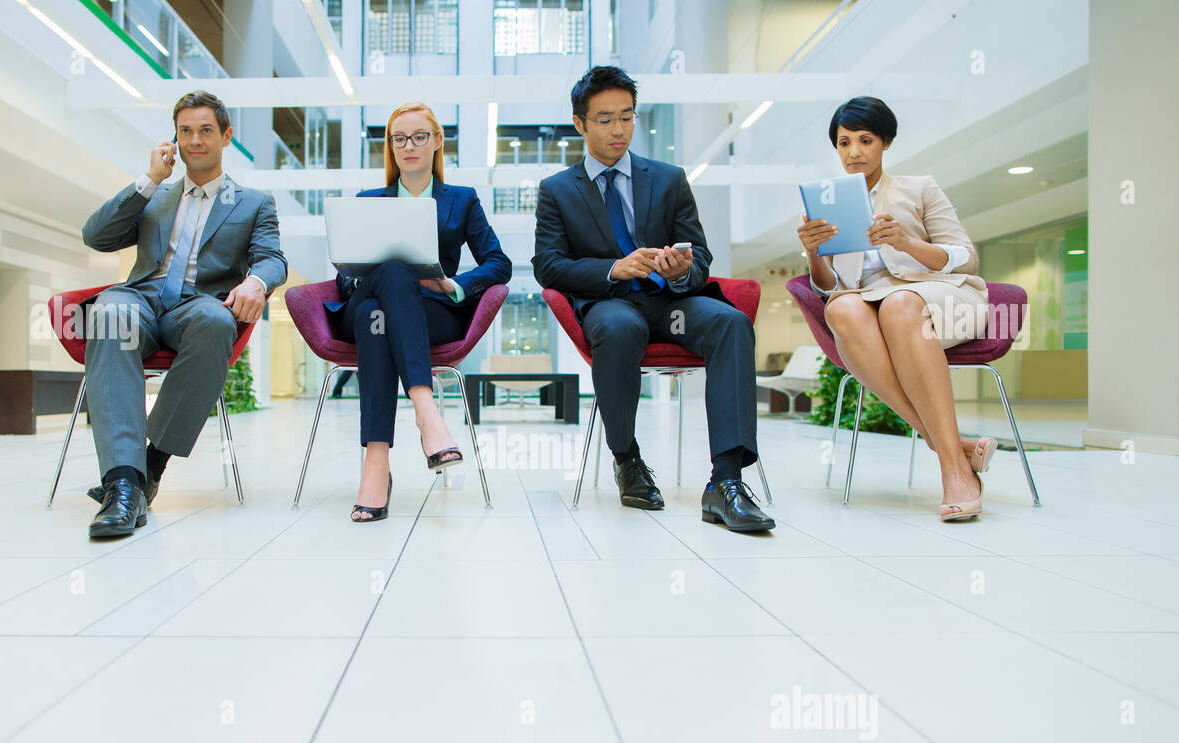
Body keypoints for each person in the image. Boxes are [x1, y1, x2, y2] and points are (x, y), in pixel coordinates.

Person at [532, 65, 775, 533]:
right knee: (621, 327)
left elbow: (699, 252)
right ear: (580, 123)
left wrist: (683, 270)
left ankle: (725, 483)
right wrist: (612, 269)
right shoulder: (557, 191)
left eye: (627, 117)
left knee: (730, 323)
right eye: (604, 119)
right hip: (613, 304)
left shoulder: (668, 179)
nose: (618, 129)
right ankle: (627, 458)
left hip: (673, 306)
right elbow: (548, 265)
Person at [78, 90, 286, 539]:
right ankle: (123, 485)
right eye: (185, 131)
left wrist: (256, 282)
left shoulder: (252, 202)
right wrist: (149, 180)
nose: (195, 140)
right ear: (174, 138)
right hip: (141, 299)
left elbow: (273, 259)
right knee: (110, 310)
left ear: (226, 136)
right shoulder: (154, 195)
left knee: (216, 322)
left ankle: (151, 462)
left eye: (206, 131)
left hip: (197, 304)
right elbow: (95, 236)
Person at [798, 96, 993, 522]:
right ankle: (954, 451)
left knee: (900, 304)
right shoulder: (826, 202)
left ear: (885, 143)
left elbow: (966, 257)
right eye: (844, 142)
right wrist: (813, 253)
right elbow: (826, 286)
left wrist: (905, 242)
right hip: (867, 305)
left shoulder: (919, 187)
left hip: (934, 295)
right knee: (841, 310)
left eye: (865, 140)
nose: (853, 152)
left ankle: (951, 469)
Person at [325, 101, 511, 522]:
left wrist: (455, 285)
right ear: (390, 147)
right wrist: (356, 272)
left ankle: (377, 464)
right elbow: (340, 275)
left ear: (437, 142)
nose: (408, 146)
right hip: (365, 299)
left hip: (429, 314)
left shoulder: (461, 201)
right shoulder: (368, 201)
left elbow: (499, 262)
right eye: (398, 139)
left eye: (419, 136)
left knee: (377, 320)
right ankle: (427, 413)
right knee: (389, 274)